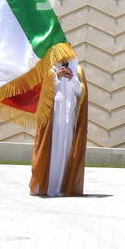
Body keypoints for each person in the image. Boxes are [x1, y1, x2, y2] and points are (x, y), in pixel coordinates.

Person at [29, 58, 88, 196]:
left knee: (66, 151)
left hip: (69, 120)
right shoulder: (49, 69)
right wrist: (57, 76)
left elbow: (81, 92)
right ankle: (47, 186)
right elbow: (40, 90)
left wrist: (72, 78)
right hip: (53, 120)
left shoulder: (78, 70)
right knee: (52, 151)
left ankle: (62, 186)